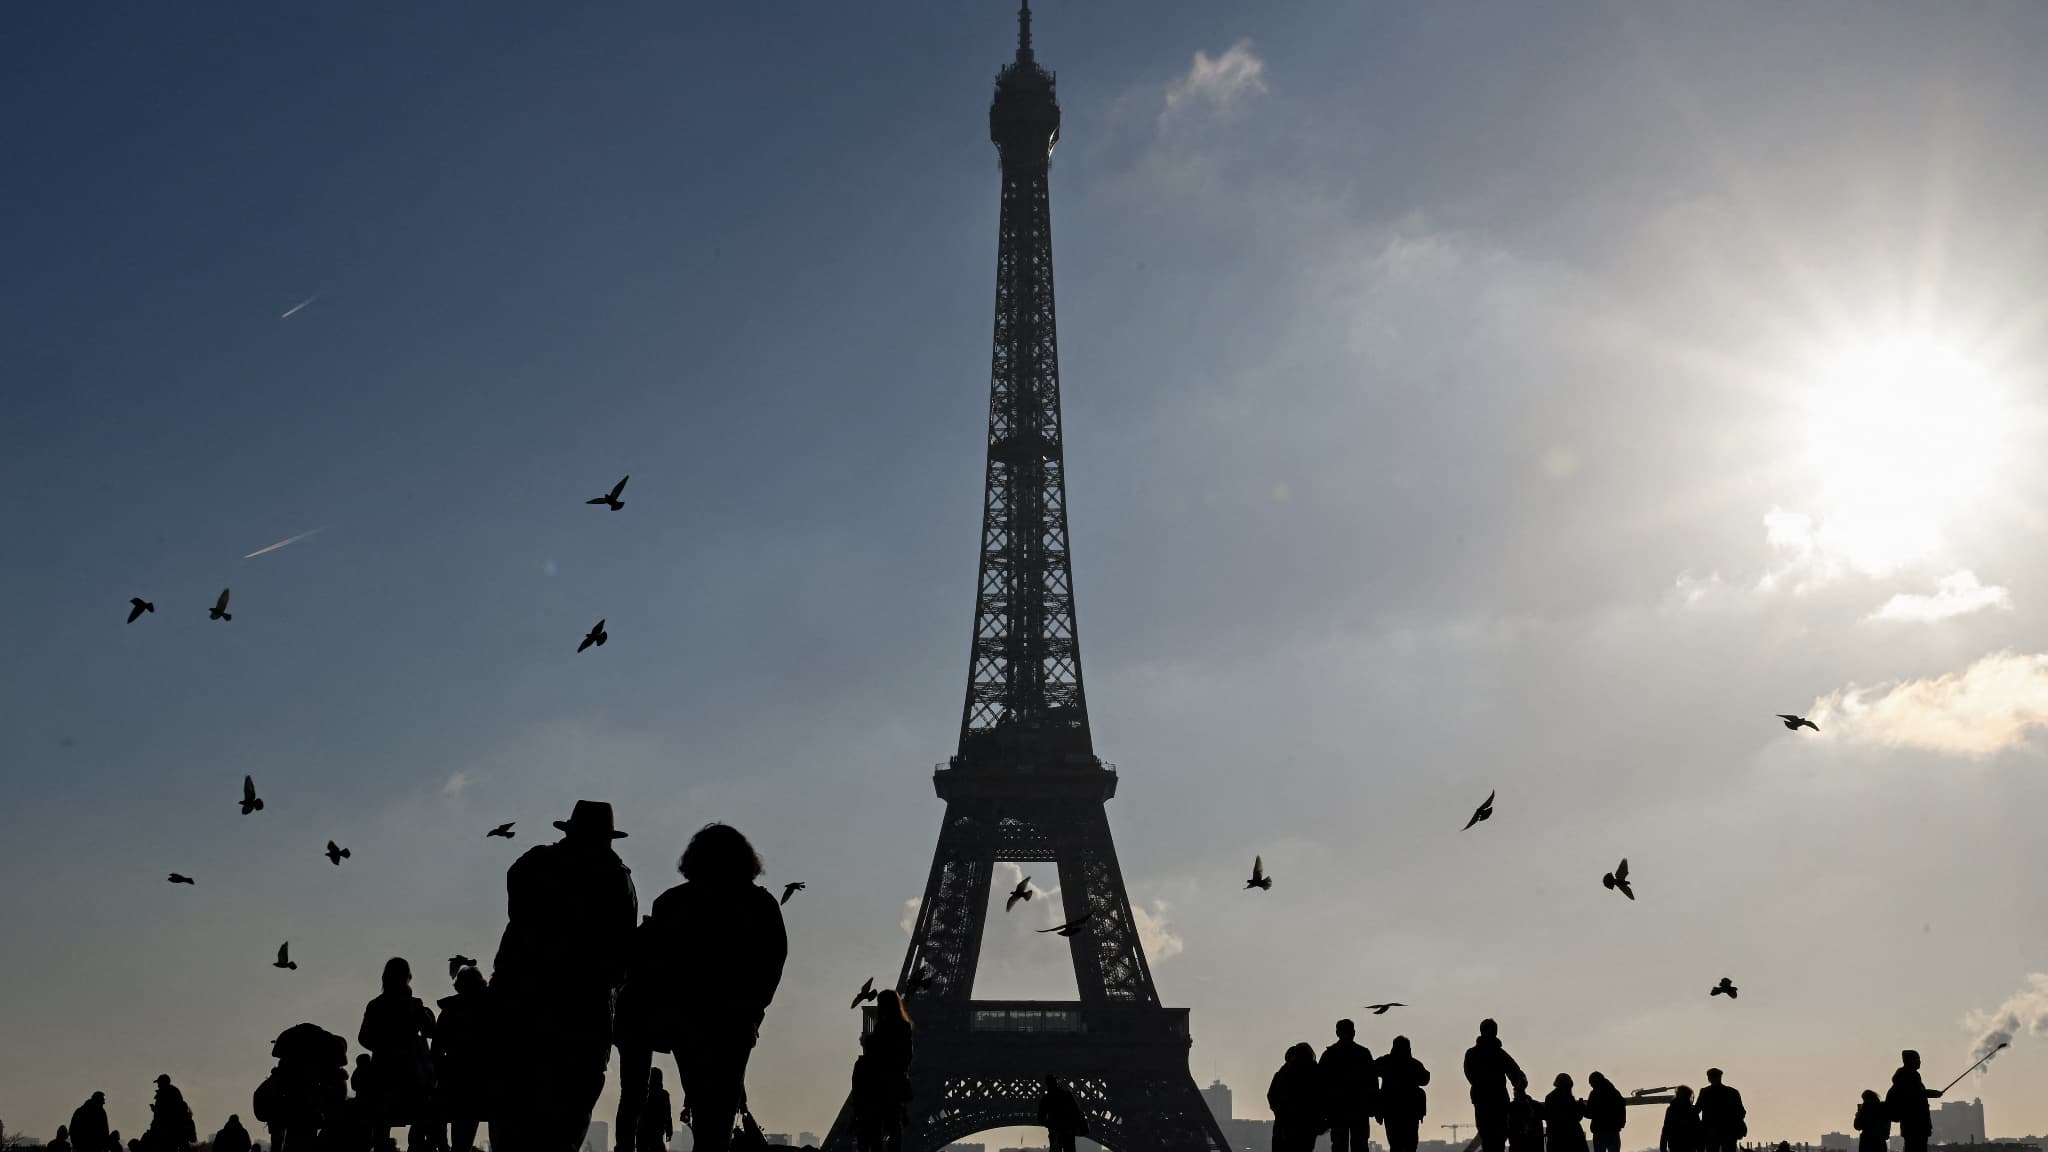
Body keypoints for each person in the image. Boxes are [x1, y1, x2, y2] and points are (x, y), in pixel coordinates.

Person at [489, 800, 639, 1152]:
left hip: (521, 1003)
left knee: (513, 1103)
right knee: (570, 1108)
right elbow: (623, 950)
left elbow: (517, 907)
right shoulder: (615, 877)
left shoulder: (533, 864)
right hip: (583, 1011)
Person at [643, 823, 785, 1152]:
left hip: (687, 1019)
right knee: (721, 1107)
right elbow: (773, 960)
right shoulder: (760, 904)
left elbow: (655, 962)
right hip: (735, 1020)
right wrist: (754, 1008)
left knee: (699, 1096)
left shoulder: (672, 903)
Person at [360, 957, 437, 1149]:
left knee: (381, 1126)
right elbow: (431, 1031)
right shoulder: (414, 1004)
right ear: (407, 977)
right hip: (412, 1074)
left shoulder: (375, 1005)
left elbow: (364, 1037)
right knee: (420, 1118)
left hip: (383, 1072)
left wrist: (383, 1047)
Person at [614, 916, 665, 1152]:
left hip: (630, 1029)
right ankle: (626, 1145)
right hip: (640, 1030)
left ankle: (625, 1145)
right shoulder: (650, 964)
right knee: (635, 1092)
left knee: (632, 1091)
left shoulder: (632, 961)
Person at [433, 964, 493, 1152]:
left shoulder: (449, 1011)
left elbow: (436, 1049)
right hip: (481, 1080)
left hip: (453, 1079)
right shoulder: (490, 1011)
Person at [852, 990, 916, 1152]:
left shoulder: (882, 1027)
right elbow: (907, 1056)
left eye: (880, 1004)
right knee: (893, 1124)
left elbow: (874, 1054)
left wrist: (868, 1042)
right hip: (894, 1082)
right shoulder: (904, 1026)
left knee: (873, 1125)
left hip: (877, 1082)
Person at [1465, 1020, 1528, 1152]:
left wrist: (1519, 1082)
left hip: (1487, 1101)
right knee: (1494, 1138)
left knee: (1490, 1137)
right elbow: (1516, 1073)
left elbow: (1470, 1074)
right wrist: (1520, 1083)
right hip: (1494, 1101)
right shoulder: (1498, 1053)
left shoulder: (1474, 1054)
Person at [1320, 1019, 1379, 1152]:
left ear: (1337, 1033)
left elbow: (1320, 1085)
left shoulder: (1329, 1055)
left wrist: (1322, 1110)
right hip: (1359, 1108)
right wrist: (1374, 1106)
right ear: (1353, 1032)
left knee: (1339, 1145)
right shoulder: (1363, 1053)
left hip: (1337, 1109)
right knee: (1360, 1145)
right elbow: (1373, 1083)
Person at [1375, 1036, 1431, 1152]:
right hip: (1410, 1110)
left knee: (1395, 1144)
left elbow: (1370, 1070)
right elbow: (1425, 1079)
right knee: (1410, 1144)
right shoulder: (1414, 1064)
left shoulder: (1385, 1062)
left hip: (1391, 1109)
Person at [1269, 1042, 1326, 1152]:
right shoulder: (1316, 1072)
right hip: (1308, 1124)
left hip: (1285, 1123)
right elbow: (1323, 1096)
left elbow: (1272, 1095)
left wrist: (1280, 1113)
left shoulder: (1284, 1072)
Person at [1886, 1051, 1942, 1152]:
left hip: (1911, 1124)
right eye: (1917, 1059)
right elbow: (1915, 1094)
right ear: (1910, 1061)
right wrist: (1932, 1093)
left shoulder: (1905, 1076)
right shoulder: (1909, 1076)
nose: (1920, 1062)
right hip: (1916, 1124)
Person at [141, 1074, 198, 1151]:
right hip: (171, 1128)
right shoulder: (174, 1091)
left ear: (162, 1083)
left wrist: (155, 1111)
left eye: (159, 1083)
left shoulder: (164, 1093)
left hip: (165, 1129)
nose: (158, 1085)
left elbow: (164, 1112)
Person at [1694, 1070, 1745, 1152]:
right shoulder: (1732, 1092)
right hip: (1729, 1131)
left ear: (1709, 1078)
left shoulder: (1705, 1092)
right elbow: (1741, 1112)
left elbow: (1696, 1110)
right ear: (1720, 1077)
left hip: (1710, 1132)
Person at [1037, 1076, 1088, 1152]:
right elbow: (1076, 1112)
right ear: (1056, 1083)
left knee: (1056, 1148)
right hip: (1068, 1130)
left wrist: (1050, 1124)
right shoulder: (1067, 1095)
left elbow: (1041, 1119)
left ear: (1047, 1085)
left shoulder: (1046, 1099)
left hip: (1055, 1131)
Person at [1542, 1074, 1586, 1152]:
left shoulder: (1550, 1097)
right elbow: (1576, 1117)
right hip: (1571, 1138)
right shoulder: (1568, 1099)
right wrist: (1581, 1107)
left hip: (1555, 1138)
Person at [636, 1067, 675, 1152]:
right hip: (657, 1131)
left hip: (642, 1131)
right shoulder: (664, 1095)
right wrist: (669, 1131)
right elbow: (667, 1114)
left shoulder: (643, 1093)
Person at [1584, 1073, 1625, 1152]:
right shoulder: (1615, 1093)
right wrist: (1620, 1125)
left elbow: (1590, 1113)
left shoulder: (1594, 1094)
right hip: (1614, 1131)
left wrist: (1582, 1108)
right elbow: (1622, 1109)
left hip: (1599, 1132)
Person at [1658, 1087, 1699, 1152]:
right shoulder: (1692, 1110)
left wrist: (1663, 1147)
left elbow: (1666, 1129)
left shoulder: (1671, 1109)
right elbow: (1697, 1128)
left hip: (1675, 1144)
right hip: (1689, 1144)